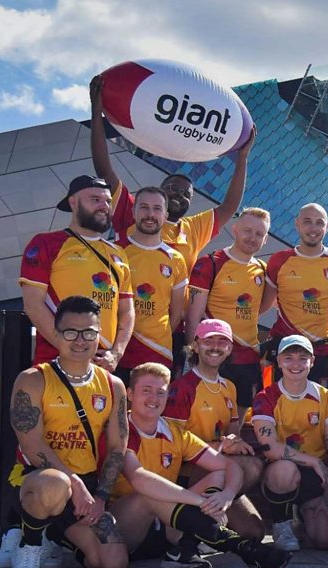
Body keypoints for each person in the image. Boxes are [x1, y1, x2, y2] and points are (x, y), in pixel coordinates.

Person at [91, 75, 253, 373]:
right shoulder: (134, 214)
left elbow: (230, 207)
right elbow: (104, 168)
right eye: (172, 189)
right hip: (119, 328)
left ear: (191, 201)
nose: (178, 194)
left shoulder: (193, 228)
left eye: (185, 193)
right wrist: (97, 113)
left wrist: (242, 157)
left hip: (167, 332)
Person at [0, 296, 131, 568]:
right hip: (38, 480)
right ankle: (29, 545)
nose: (80, 340)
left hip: (86, 490)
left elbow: (118, 448)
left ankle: (55, 534)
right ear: (56, 334)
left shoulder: (113, 385)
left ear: (99, 336)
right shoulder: (33, 380)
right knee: (55, 483)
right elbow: (33, 447)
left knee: (112, 565)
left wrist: (100, 497)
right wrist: (76, 485)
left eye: (89, 333)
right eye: (71, 332)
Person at [111, 362, 289, 568]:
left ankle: (183, 550)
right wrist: (198, 501)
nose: (154, 398)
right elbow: (139, 479)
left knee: (218, 474)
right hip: (128, 528)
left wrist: (227, 495)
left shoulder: (175, 432)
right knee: (147, 494)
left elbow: (229, 466)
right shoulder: (120, 430)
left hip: (170, 524)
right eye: (146, 391)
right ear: (129, 394)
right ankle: (245, 550)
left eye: (160, 392)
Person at [164, 319, 266, 542]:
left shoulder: (229, 387)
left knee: (254, 532)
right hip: (190, 474)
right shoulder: (182, 388)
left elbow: (232, 435)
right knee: (250, 465)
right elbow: (171, 449)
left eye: (222, 342)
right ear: (196, 345)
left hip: (220, 470)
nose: (215, 347)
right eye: (209, 340)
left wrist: (234, 442)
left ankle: (210, 519)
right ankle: (192, 524)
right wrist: (220, 446)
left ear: (230, 349)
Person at [19, 175, 133, 371]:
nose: (104, 206)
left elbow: (127, 311)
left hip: (103, 365)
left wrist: (116, 354)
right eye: (95, 200)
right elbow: (33, 305)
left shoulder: (119, 253)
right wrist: (74, 350)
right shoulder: (46, 243)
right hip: (55, 362)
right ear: (73, 202)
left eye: (107, 201)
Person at [251, 336, 328, 551]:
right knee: (285, 468)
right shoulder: (266, 396)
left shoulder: (325, 397)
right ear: (279, 361)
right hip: (281, 470)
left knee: (325, 540)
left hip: (315, 475)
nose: (295, 364)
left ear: (312, 361)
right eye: (288, 358)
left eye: (302, 358)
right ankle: (282, 523)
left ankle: (300, 516)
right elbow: (271, 448)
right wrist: (312, 461)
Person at [186, 208, 276, 418]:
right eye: (247, 230)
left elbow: (260, 308)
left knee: (240, 418)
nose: (252, 237)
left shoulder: (262, 269)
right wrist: (191, 352)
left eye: (259, 234)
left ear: (265, 239)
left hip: (249, 356)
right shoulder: (211, 262)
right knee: (208, 416)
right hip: (215, 355)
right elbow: (193, 315)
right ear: (235, 229)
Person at [266, 203, 328, 387]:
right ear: (297, 224)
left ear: (327, 226)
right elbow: (267, 302)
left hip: (320, 348)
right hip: (283, 346)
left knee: (319, 407)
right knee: (276, 405)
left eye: (319, 223)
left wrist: (326, 324)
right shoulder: (279, 260)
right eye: (307, 222)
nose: (313, 228)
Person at [116, 186, 189, 380]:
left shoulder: (176, 259)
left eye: (157, 209)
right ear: (134, 211)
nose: (150, 214)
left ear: (165, 214)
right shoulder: (115, 251)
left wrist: (156, 337)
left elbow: (176, 313)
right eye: (144, 207)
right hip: (118, 350)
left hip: (157, 352)